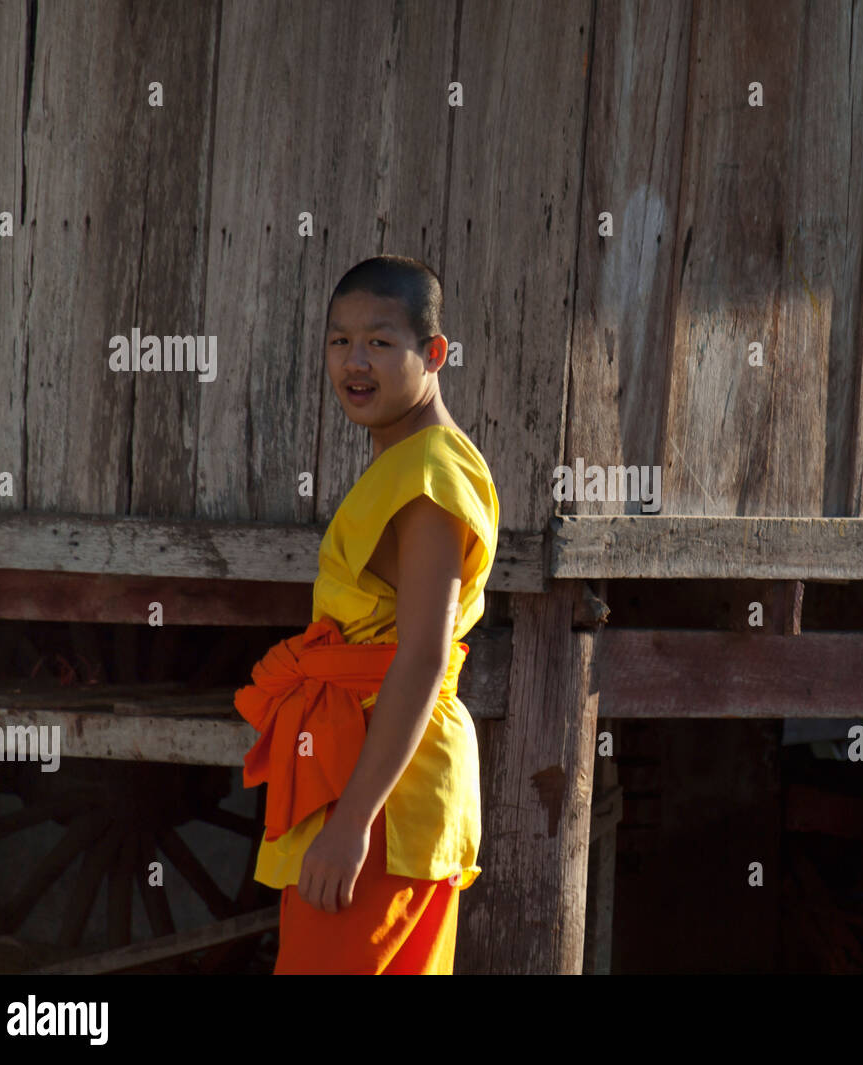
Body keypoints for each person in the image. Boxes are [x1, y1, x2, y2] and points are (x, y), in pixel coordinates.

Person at [234, 255, 498, 974]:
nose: (355, 361)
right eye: (339, 341)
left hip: (383, 794)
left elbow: (422, 654)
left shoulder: (429, 479)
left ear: (434, 353)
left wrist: (352, 822)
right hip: (361, 766)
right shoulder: (409, 460)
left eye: (380, 342)